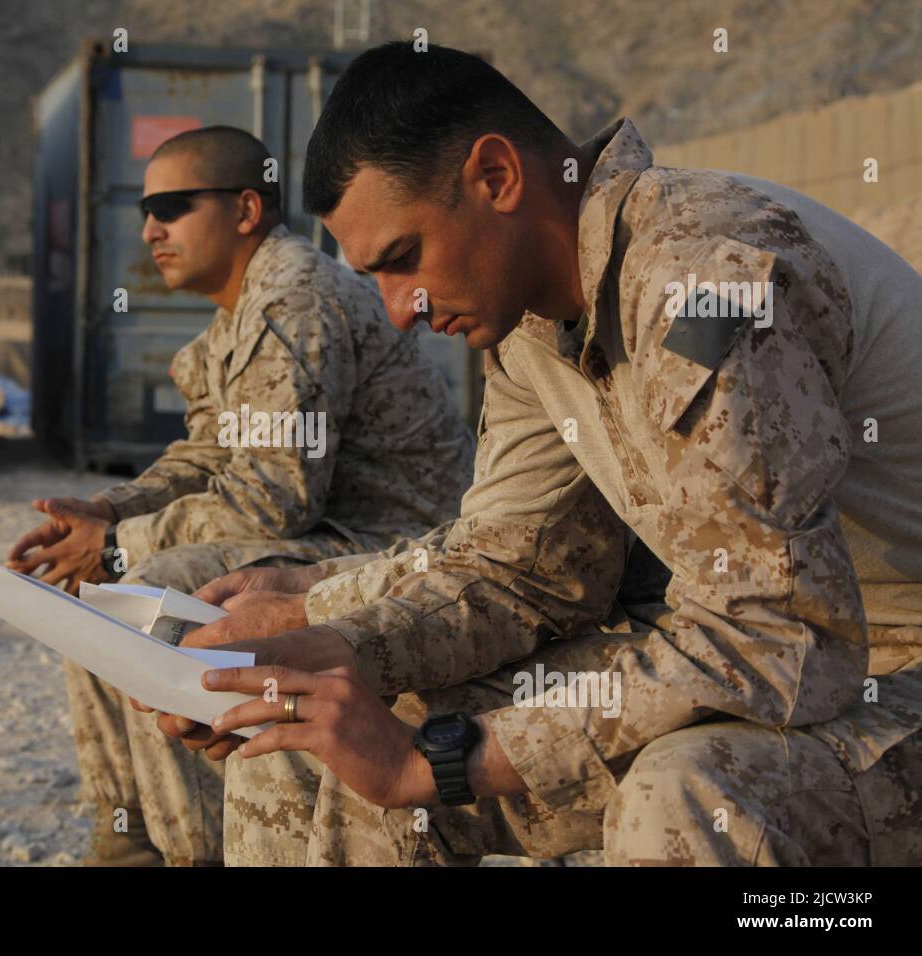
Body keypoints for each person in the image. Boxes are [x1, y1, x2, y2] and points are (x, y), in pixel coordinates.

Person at [152, 43, 922, 866]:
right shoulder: (527, 326)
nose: (398, 310)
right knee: (319, 737)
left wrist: (446, 759)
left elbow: (780, 632)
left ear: (496, 177)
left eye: (403, 259)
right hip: (761, 654)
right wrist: (340, 649)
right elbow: (525, 570)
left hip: (888, 669)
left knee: (687, 790)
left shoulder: (704, 279)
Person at [7, 125, 475, 865]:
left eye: (173, 205)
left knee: (154, 588)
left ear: (246, 210)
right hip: (325, 532)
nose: (151, 228)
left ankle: (200, 851)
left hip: (395, 546)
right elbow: (209, 455)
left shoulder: (294, 298)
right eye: (144, 209)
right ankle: (132, 838)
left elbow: (272, 498)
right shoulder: (239, 314)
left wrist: (119, 548)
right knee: (96, 593)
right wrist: (111, 516)